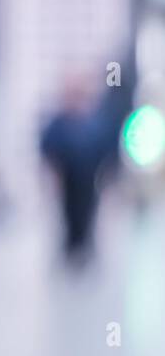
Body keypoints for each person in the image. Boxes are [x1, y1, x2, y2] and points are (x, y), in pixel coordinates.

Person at [39, 79, 120, 265]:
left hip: (90, 182)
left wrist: (108, 178)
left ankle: (85, 248)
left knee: (88, 214)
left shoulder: (96, 123)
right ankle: (70, 249)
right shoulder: (59, 124)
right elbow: (48, 151)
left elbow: (108, 152)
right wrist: (52, 176)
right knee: (68, 216)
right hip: (68, 182)